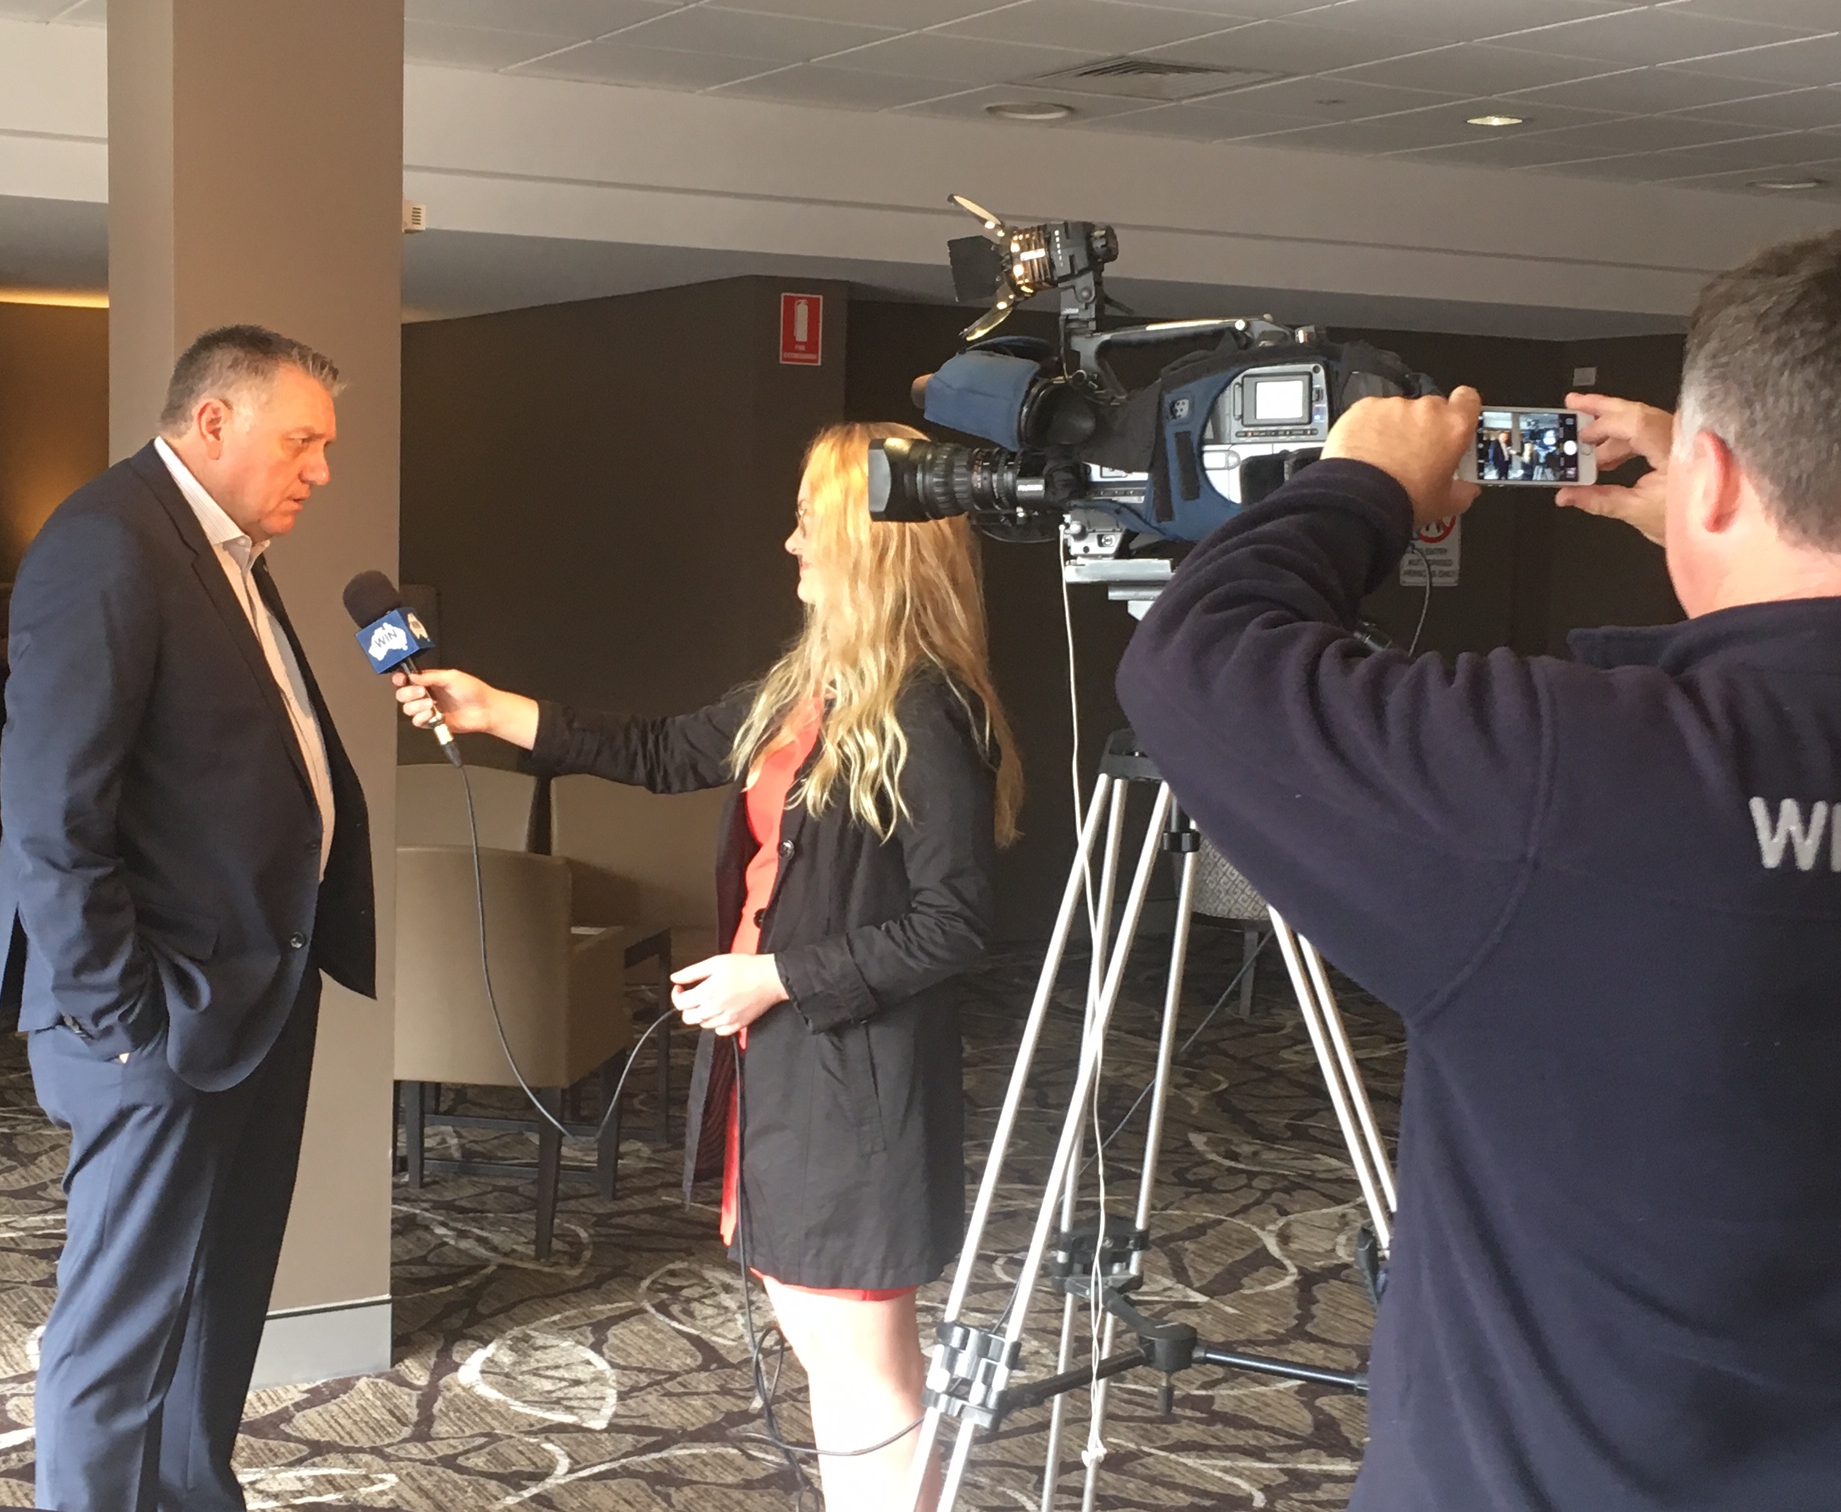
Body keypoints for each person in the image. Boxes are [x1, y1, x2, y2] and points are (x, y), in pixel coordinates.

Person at [1115, 229, 1841, 1510]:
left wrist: (1364, 485)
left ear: (1711, 475)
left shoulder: (1577, 775)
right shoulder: (1596, 764)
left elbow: (1200, 663)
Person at [394, 421, 1021, 1510]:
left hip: (854, 1089)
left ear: (877, 542)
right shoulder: (813, 686)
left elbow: (957, 922)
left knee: (858, 1352)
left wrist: (776, 977)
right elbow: (661, 749)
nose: (789, 546)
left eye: (808, 522)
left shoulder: (923, 708)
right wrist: (493, 711)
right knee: (818, 1330)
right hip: (787, 1069)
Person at [0, 325, 376, 1512]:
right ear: (214, 423)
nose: (321, 469)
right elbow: (52, 813)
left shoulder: (226, 553)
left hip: (253, 994)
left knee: (217, 1301)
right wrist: (121, 1019)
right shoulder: (108, 543)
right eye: (302, 441)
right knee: (121, 1330)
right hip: (156, 1014)